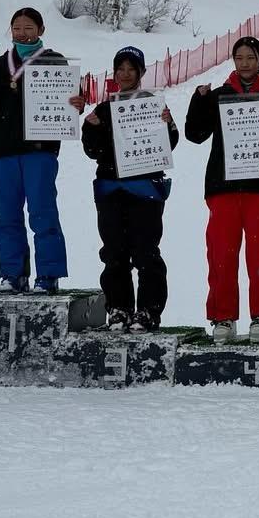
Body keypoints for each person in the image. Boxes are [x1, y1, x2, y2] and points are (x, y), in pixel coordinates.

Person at [185, 36, 259, 343]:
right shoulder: (220, 95)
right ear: (233, 62)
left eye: (251, 57)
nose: (245, 63)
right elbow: (195, 134)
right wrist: (199, 99)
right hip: (223, 187)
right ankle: (223, 317)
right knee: (221, 253)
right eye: (240, 58)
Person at [0, 7, 84, 294]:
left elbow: (71, 100)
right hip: (3, 150)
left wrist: (77, 103)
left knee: (42, 211)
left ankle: (48, 274)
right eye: (17, 27)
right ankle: (12, 274)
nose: (22, 33)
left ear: (41, 30)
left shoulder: (54, 62)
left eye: (28, 27)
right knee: (5, 215)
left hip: (40, 149)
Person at [82, 47, 178, 332]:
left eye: (131, 69)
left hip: (145, 189)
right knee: (113, 253)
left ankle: (148, 311)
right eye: (120, 69)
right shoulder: (103, 108)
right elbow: (92, 151)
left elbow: (170, 143)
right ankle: (119, 308)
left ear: (141, 73)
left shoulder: (151, 104)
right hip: (111, 189)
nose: (125, 74)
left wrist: (167, 124)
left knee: (146, 251)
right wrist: (93, 128)